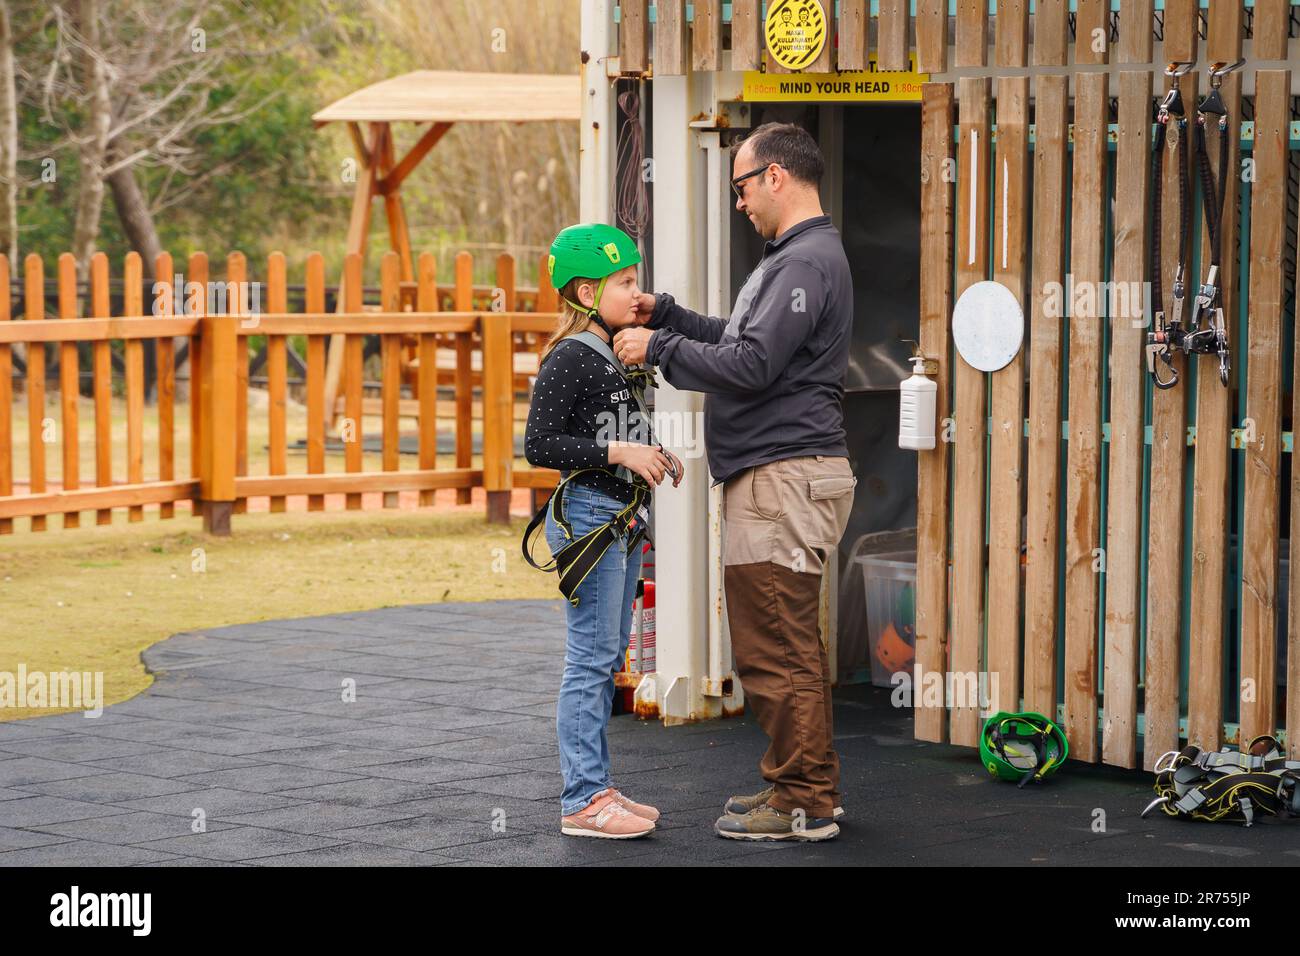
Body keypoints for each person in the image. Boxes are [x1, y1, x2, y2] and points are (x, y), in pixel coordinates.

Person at [612, 122, 857, 842]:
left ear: (776, 176)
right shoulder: (796, 259)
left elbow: (751, 367)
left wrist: (658, 346)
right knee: (785, 646)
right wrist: (675, 317)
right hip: (782, 478)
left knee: (775, 649)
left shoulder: (804, 262)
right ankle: (801, 787)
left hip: (782, 480)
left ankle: (804, 803)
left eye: (743, 186)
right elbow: (747, 342)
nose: (741, 202)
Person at [523, 222, 684, 839]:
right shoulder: (569, 357)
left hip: (620, 519)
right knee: (589, 661)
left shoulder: (618, 353)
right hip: (590, 518)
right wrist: (620, 452)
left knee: (607, 657)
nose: (636, 292)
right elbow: (540, 444)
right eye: (624, 282)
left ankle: (598, 786)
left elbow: (611, 431)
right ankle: (582, 800)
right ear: (587, 293)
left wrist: (651, 453)